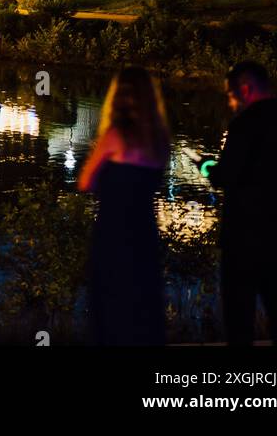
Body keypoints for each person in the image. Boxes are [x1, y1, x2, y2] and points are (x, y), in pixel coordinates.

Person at [201, 60, 277, 347]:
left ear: (245, 88)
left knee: (238, 314)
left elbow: (225, 176)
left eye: (231, 95)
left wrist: (207, 166)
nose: (231, 102)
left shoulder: (244, 125)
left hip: (242, 236)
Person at [78, 65, 171, 345]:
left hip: (113, 232)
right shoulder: (160, 141)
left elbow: (85, 181)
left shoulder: (115, 137)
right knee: (142, 302)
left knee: (110, 304)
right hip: (144, 233)